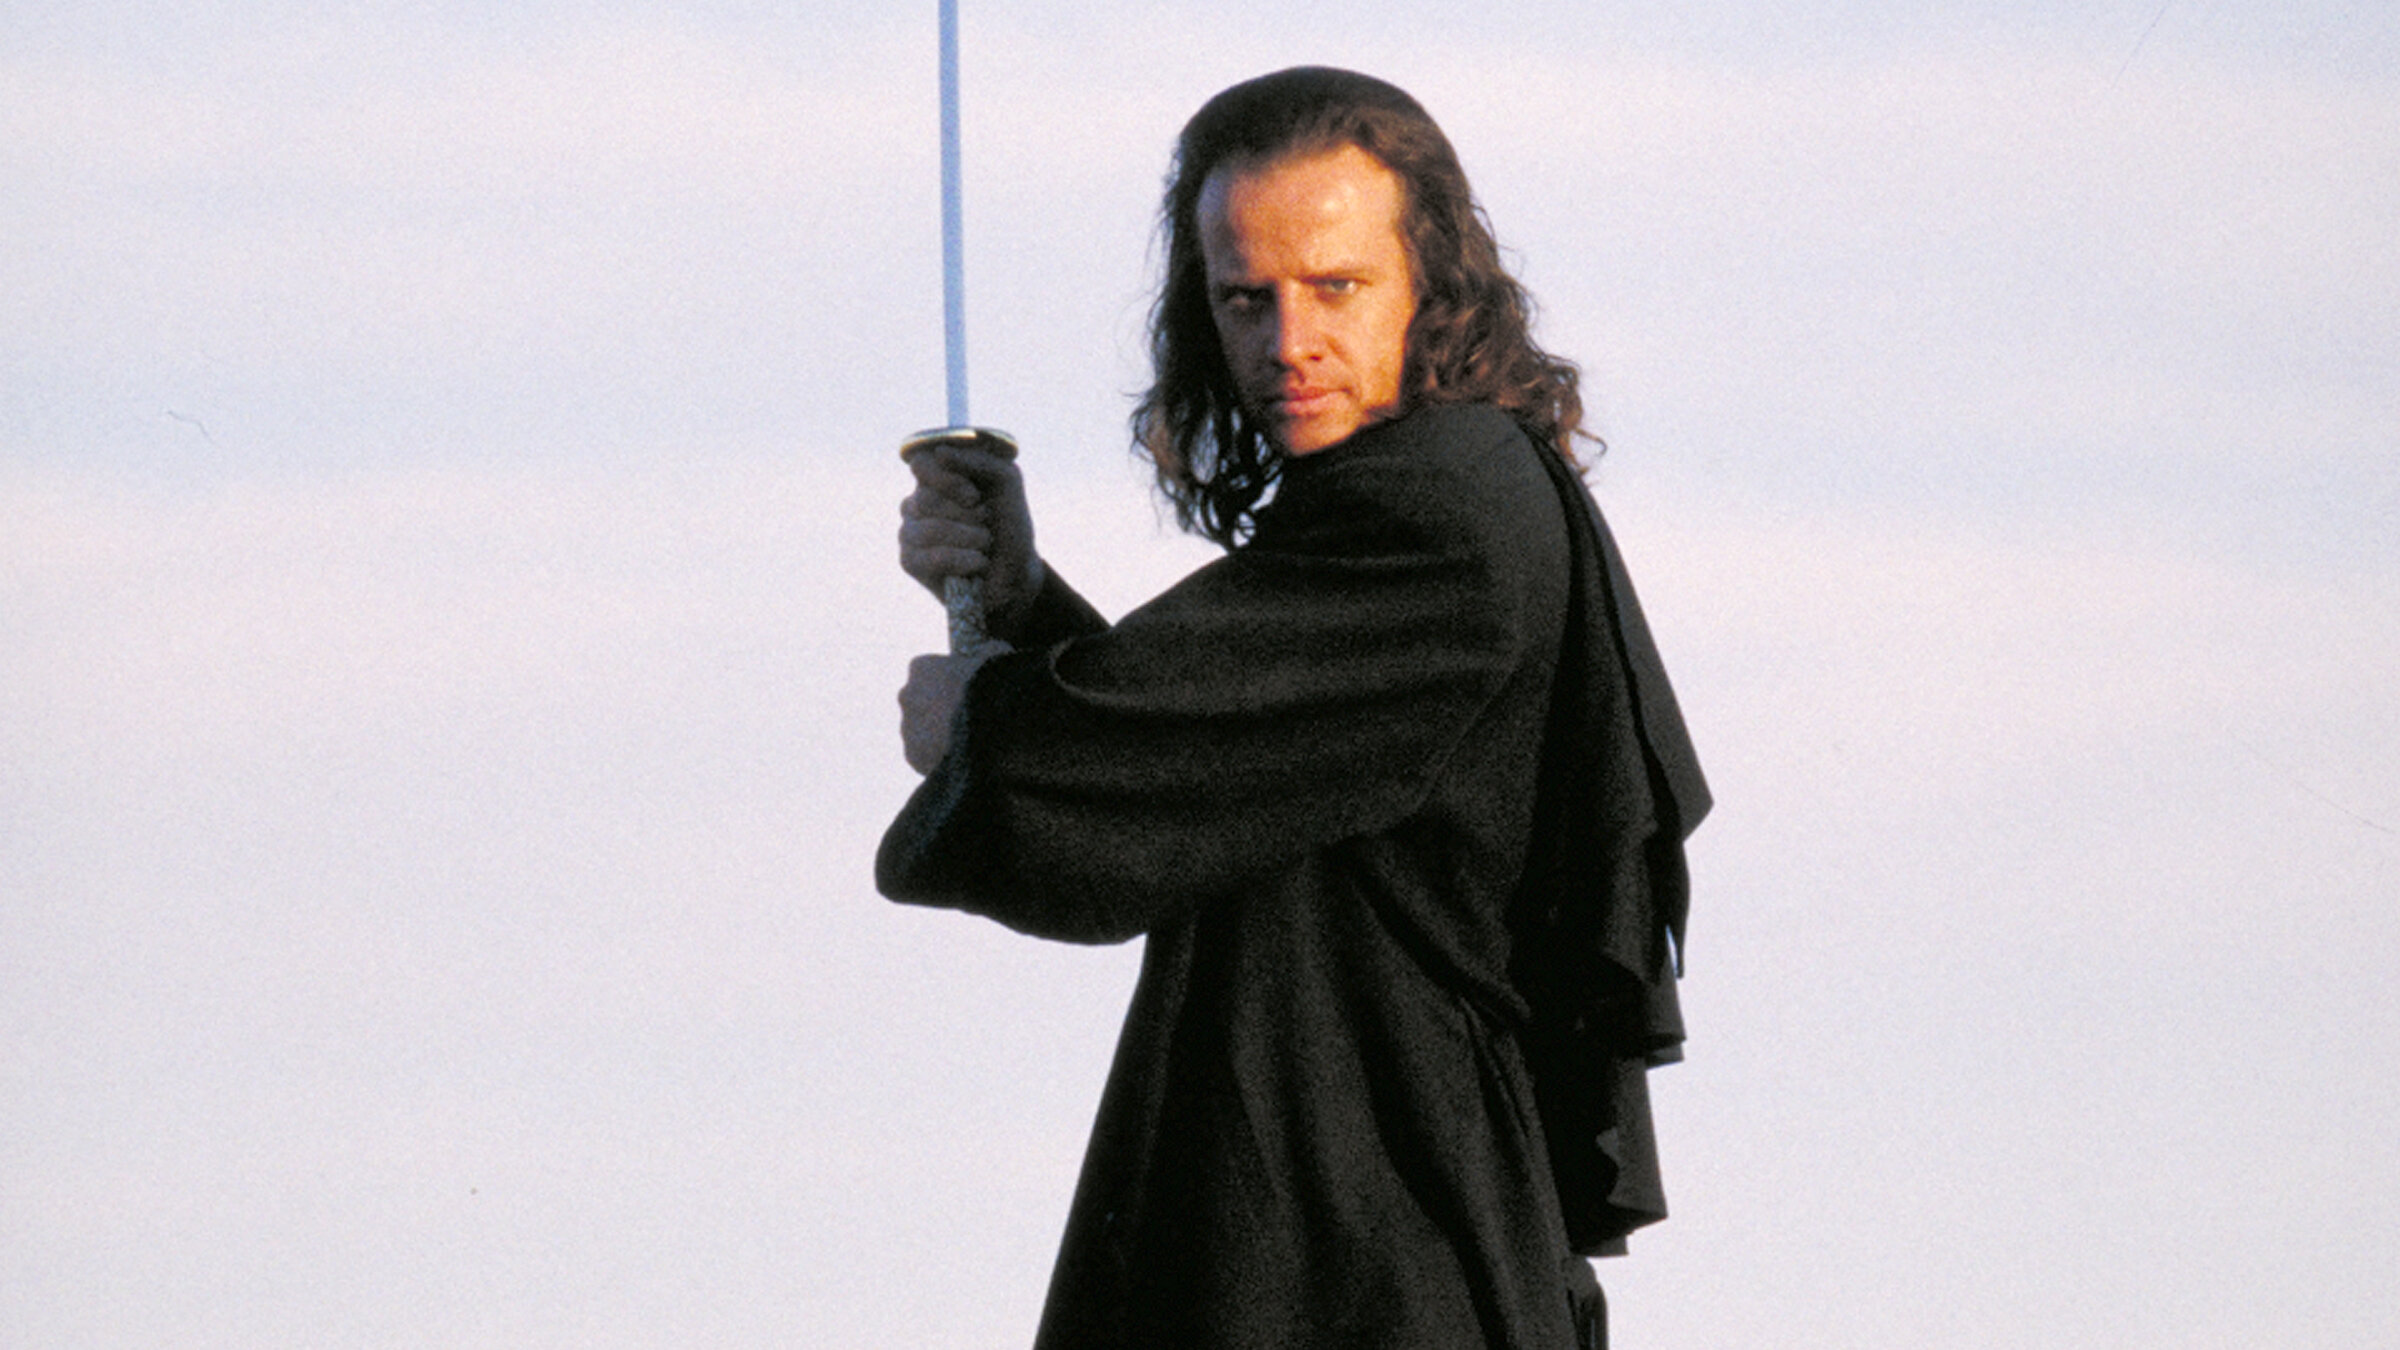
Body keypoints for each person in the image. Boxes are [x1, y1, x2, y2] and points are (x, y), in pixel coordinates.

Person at [881, 66, 1708, 1350]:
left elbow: (1150, 769)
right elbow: (1230, 763)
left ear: (1431, 282)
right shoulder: (1446, 491)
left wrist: (979, 724)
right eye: (1244, 298)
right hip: (1366, 1231)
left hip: (1371, 1247)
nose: (1288, 342)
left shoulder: (1441, 505)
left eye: (1336, 287)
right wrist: (1023, 602)